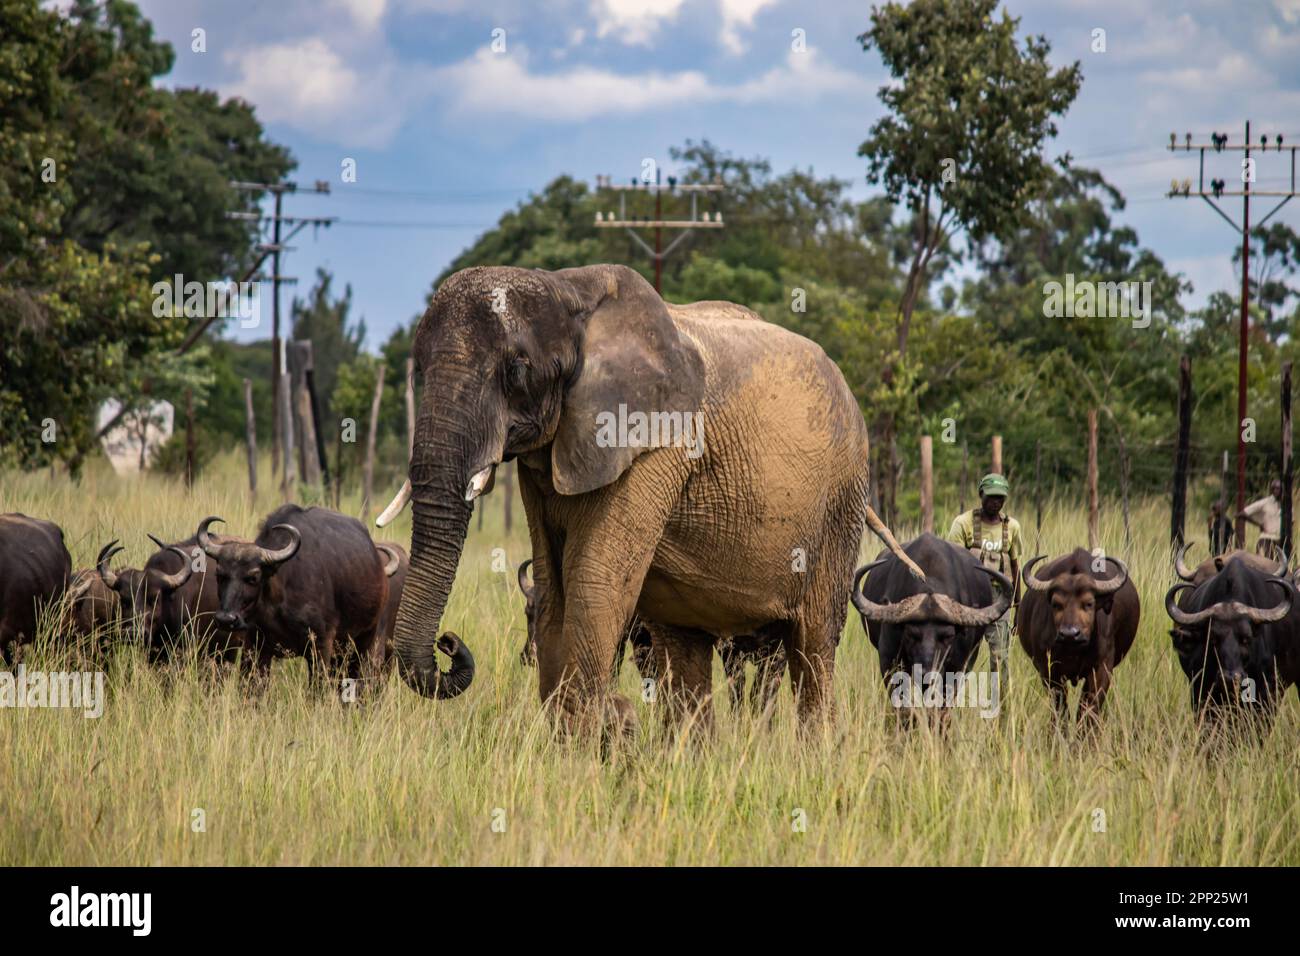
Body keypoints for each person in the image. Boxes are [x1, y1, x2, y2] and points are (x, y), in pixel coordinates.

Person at [948, 473, 1023, 680]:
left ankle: (1003, 708)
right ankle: (950, 706)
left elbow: (1015, 567)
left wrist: (1018, 607)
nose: (995, 502)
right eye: (990, 497)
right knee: (963, 658)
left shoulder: (1012, 527)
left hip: (999, 599)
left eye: (1000, 498)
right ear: (981, 495)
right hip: (969, 599)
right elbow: (952, 566)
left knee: (1000, 659)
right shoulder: (963, 523)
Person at [1238, 479, 1285, 560]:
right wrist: (1258, 524)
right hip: (1266, 539)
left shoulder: (1286, 505)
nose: (1276, 491)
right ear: (1271, 490)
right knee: (1265, 565)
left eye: (1278, 488)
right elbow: (1242, 513)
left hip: (1281, 541)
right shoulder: (1265, 502)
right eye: (1274, 488)